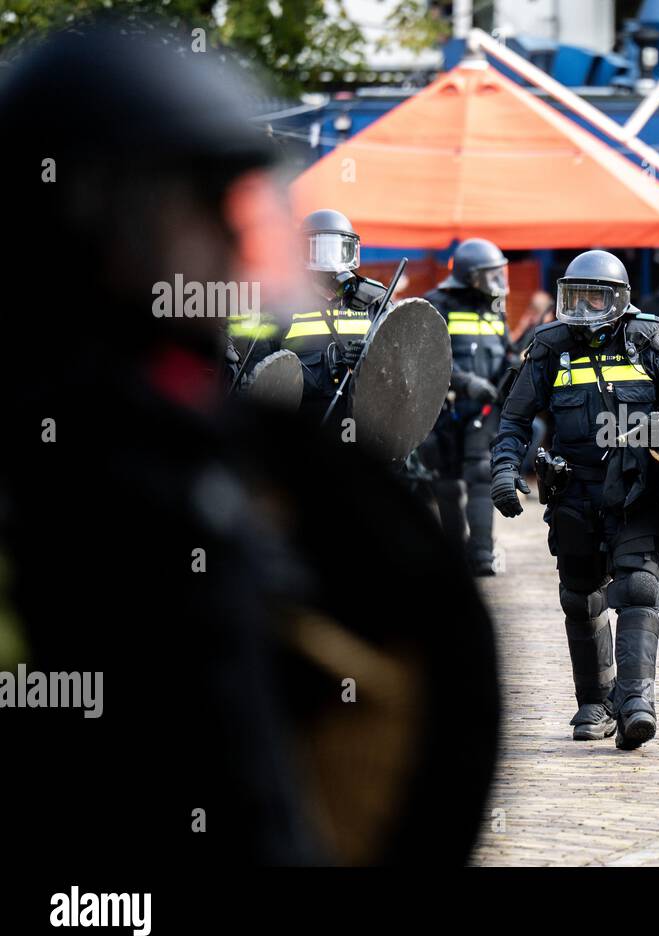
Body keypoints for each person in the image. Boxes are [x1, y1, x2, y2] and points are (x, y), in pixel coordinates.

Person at [0, 19, 498, 865]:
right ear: (97, 218)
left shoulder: (186, 433)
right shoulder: (94, 465)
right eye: (203, 210)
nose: (234, 247)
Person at [490, 250, 659, 750]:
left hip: (637, 489)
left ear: (619, 299)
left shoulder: (649, 342)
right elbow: (514, 419)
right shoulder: (548, 348)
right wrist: (504, 470)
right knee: (580, 598)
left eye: (593, 297)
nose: (582, 307)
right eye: (573, 296)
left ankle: (635, 703)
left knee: (638, 589)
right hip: (575, 490)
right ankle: (594, 703)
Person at [421, 238, 515, 576]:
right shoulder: (437, 304)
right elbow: (428, 355)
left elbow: (505, 350)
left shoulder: (494, 309)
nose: (497, 281)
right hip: (446, 406)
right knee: (446, 482)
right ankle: (453, 551)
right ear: (471, 275)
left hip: (484, 410)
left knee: (480, 475)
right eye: (490, 274)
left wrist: (515, 365)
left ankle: (481, 554)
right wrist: (464, 382)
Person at [284, 209, 387, 424]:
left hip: (364, 429)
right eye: (319, 250)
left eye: (338, 250)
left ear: (353, 251)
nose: (329, 261)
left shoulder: (375, 301)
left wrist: (372, 361)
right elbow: (262, 375)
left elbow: (402, 366)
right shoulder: (284, 303)